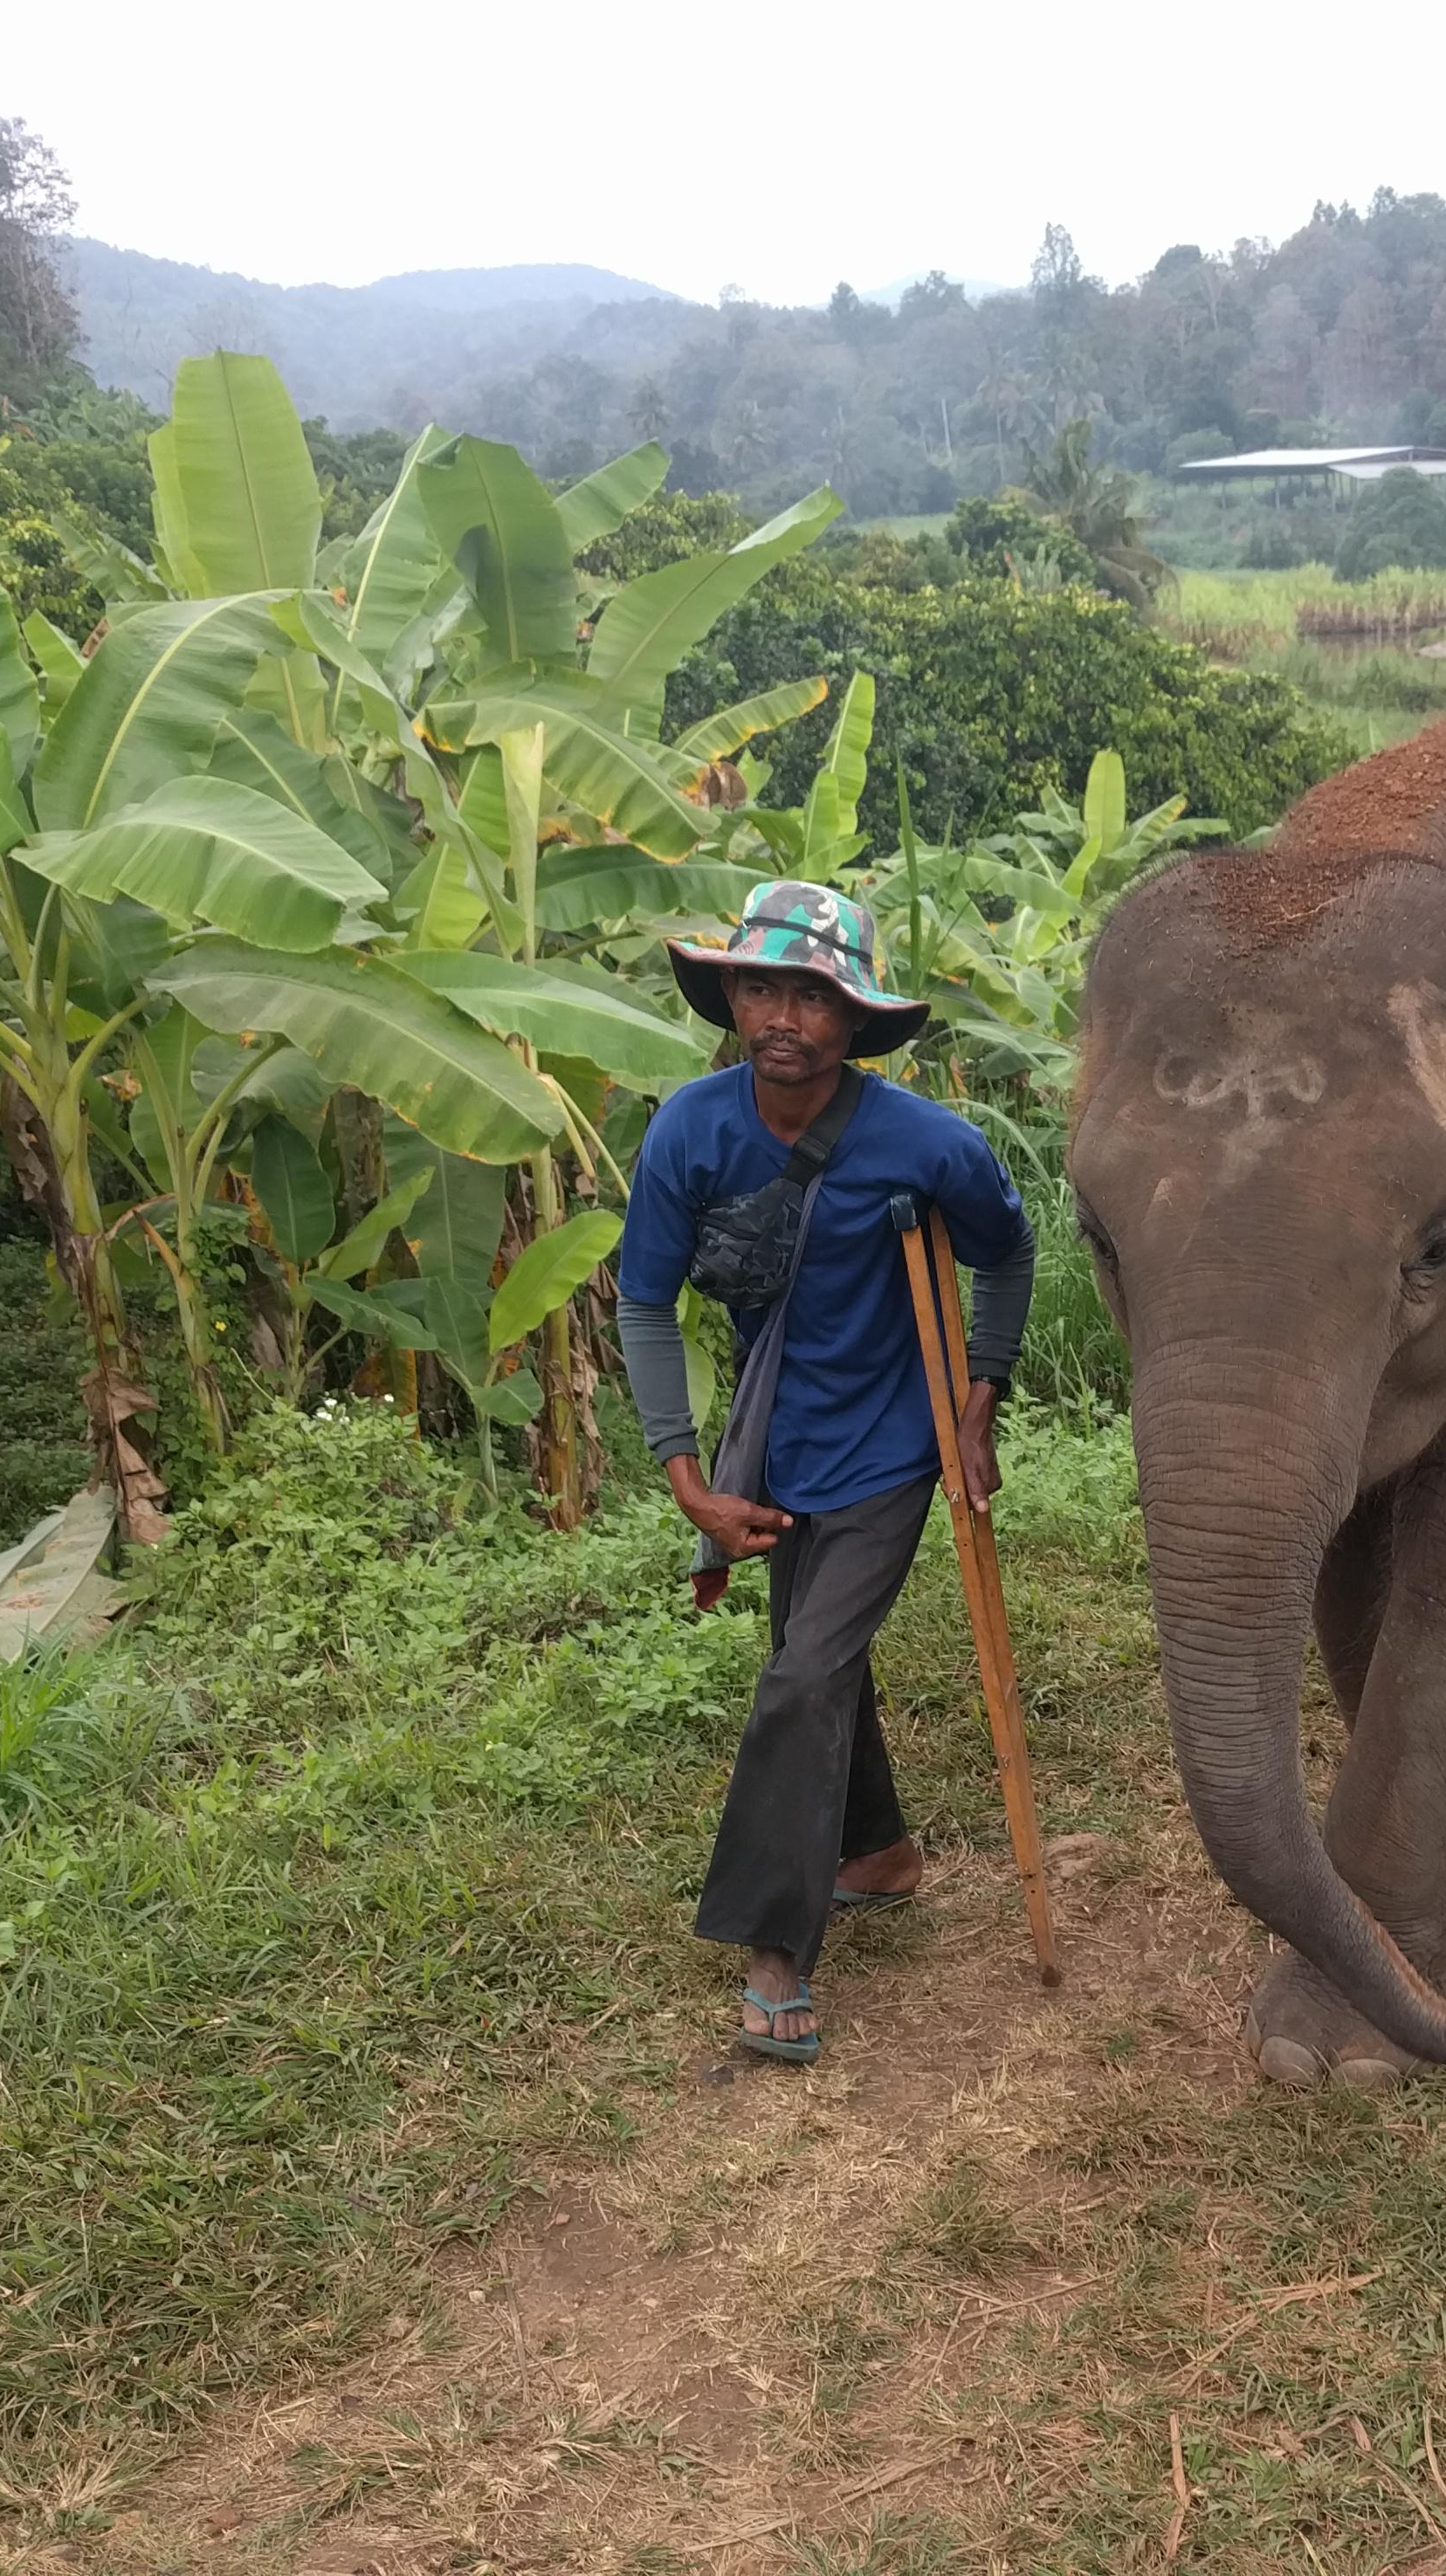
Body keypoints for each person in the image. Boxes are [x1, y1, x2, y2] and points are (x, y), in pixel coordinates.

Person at [610, 882, 1035, 2066]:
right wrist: (684, 1472)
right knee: (815, 1666)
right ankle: (882, 1854)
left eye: (811, 994)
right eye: (759, 987)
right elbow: (644, 1299)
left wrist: (982, 1390)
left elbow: (1005, 1251)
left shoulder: (927, 1143)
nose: (781, 1016)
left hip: (893, 1447)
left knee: (801, 1676)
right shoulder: (691, 1132)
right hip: (769, 1444)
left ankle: (775, 1949)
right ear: (729, 1001)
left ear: (852, 1020)